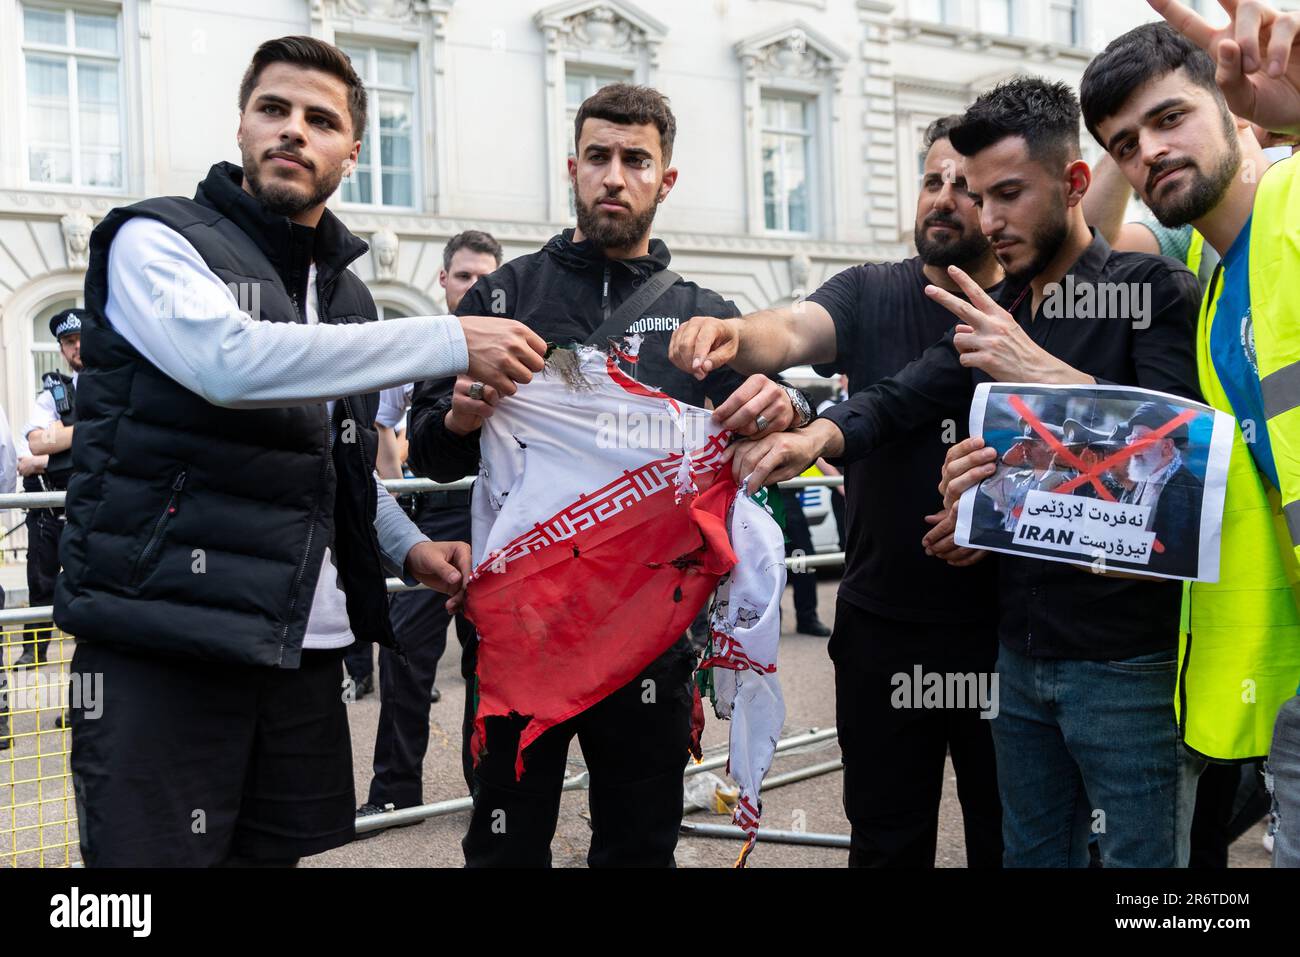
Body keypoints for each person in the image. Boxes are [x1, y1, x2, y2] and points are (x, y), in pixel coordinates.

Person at [55, 35, 547, 867]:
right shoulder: (156, 238)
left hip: (303, 651)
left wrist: (411, 547)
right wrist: (446, 338)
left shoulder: (350, 294)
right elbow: (231, 362)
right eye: (273, 109)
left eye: (320, 119)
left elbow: (339, 463)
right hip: (165, 640)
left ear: (352, 152)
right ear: (242, 125)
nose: (293, 130)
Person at [698, 77, 1205, 866]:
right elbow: (898, 398)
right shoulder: (993, 312)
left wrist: (1034, 375)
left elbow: (1184, 464)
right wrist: (818, 435)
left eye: (1005, 194)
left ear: (1074, 184)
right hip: (1017, 656)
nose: (987, 218)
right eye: (972, 193)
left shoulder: (1154, 292)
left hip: (1124, 666)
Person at [407, 82, 810, 868]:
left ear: (666, 179)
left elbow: (778, 413)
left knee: (638, 846)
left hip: (651, 642)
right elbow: (429, 452)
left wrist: (784, 401)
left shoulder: (703, 312)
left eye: (636, 160)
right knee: (503, 845)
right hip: (521, 631)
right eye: (598, 157)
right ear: (573, 167)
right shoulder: (505, 293)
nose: (614, 177)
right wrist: (459, 416)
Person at [668, 116, 1005, 867]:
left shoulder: (1034, 303)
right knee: (885, 841)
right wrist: (733, 332)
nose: (944, 199)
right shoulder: (870, 289)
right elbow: (792, 328)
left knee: (1010, 839)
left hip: (1003, 632)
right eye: (931, 181)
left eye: (967, 187)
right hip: (881, 625)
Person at [1076, 0, 1300, 866]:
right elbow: (1086, 244)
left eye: (1170, 117)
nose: (1149, 150)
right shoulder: (1208, 293)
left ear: (1235, 112)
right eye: (1126, 142)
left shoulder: (1287, 204)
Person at [358, 230, 503, 825]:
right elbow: (382, 431)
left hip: (497, 520)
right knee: (403, 656)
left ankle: (487, 789)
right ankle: (396, 792)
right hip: (431, 518)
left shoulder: (513, 348)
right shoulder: (416, 349)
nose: (473, 287)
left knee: (490, 664)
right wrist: (402, 498)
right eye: (464, 276)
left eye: (484, 279)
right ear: (442, 280)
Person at [14, 308, 84, 668]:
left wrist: (61, 442)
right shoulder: (54, 394)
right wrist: (87, 435)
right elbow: (33, 449)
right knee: (40, 580)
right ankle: (33, 650)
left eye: (81, 339)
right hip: (49, 509)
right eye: (69, 342)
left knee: (88, 587)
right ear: (61, 349)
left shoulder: (116, 385)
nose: (77, 347)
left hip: (91, 510)